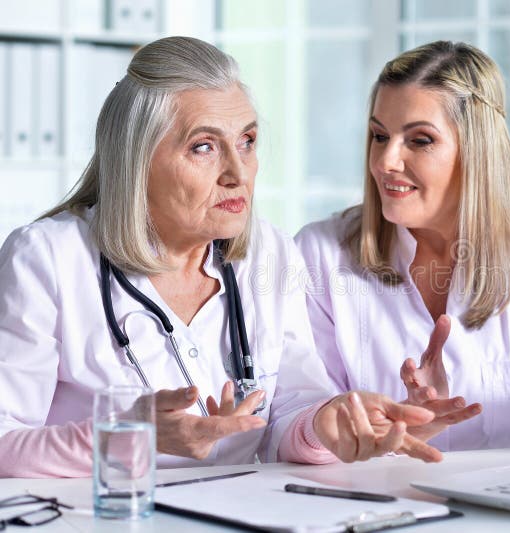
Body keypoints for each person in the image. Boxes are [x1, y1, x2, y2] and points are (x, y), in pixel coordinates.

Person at [0, 36, 442, 478]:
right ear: (135, 161)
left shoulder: (269, 254)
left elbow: (291, 410)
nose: (238, 172)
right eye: (204, 147)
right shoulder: (46, 261)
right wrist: (128, 435)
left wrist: (324, 425)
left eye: (247, 141)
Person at [296, 41, 510, 452]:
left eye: (419, 140)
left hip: (507, 508)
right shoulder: (320, 253)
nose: (385, 161)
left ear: (477, 151)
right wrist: (379, 429)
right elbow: (300, 427)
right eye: (379, 135)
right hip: (368, 503)